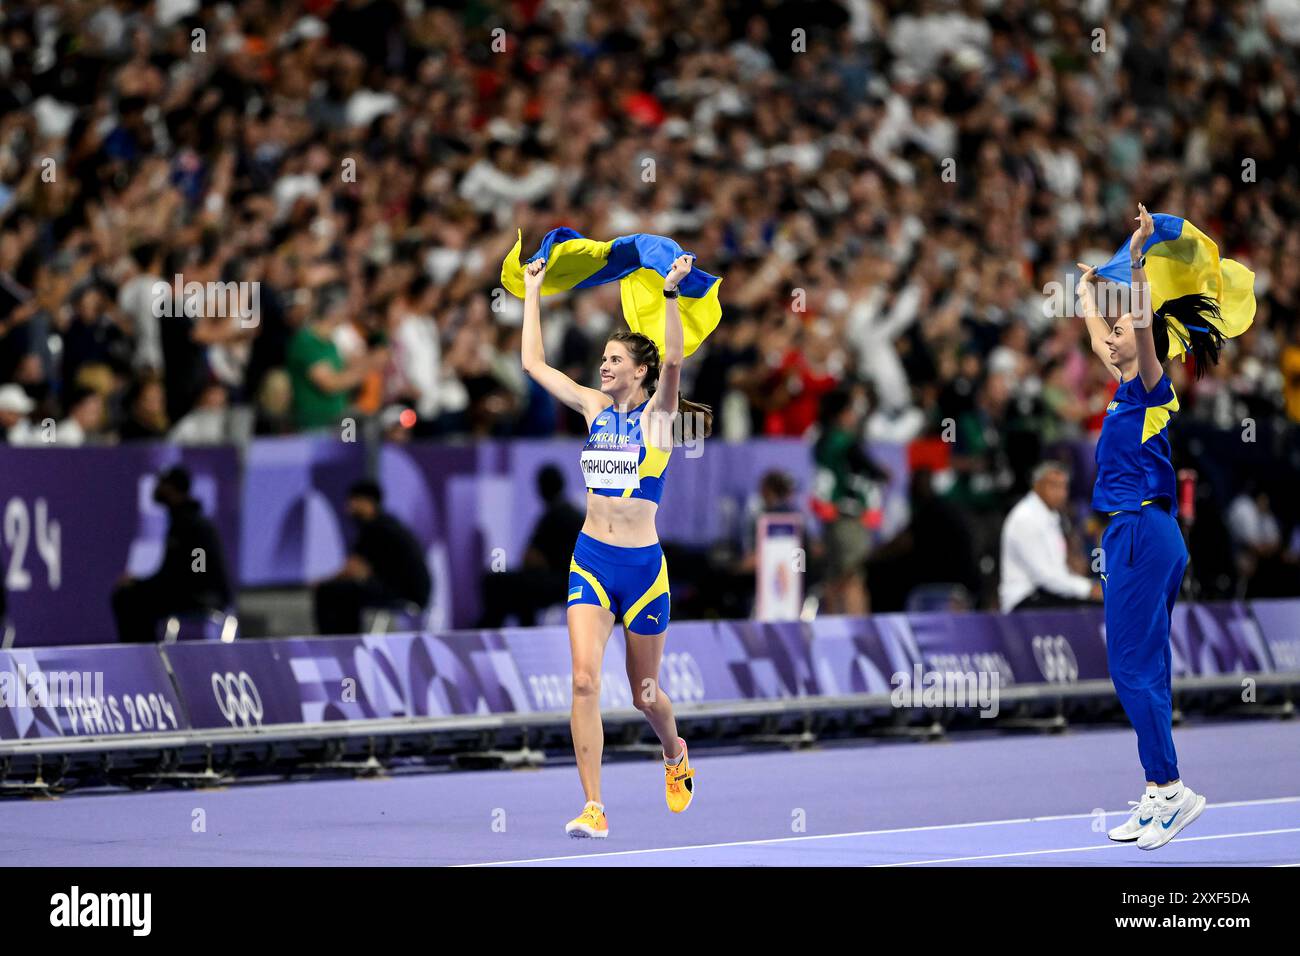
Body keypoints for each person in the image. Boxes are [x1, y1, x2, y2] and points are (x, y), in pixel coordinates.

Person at [521, 252, 711, 838]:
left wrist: (673, 294)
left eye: (614, 360)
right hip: (592, 561)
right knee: (582, 681)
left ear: (640, 372)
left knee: (645, 694)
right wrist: (532, 290)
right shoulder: (594, 410)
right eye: (602, 359)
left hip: (644, 571)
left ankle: (674, 751)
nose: (603, 367)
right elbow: (533, 364)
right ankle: (594, 807)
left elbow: (676, 356)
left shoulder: (659, 417)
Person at [1076, 204, 1227, 850]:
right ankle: (1157, 787)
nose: (1110, 339)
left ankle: (1170, 791)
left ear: (1145, 351)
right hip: (1136, 534)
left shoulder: (1151, 390)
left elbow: (1137, 323)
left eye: (1121, 337)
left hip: (1142, 528)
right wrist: (1086, 292)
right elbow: (1098, 336)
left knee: (1131, 669)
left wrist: (1136, 259)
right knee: (1145, 669)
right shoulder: (1120, 392)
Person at [111, 466, 232, 642]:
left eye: (163, 484)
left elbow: (198, 573)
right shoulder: (178, 523)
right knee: (130, 595)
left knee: (130, 598)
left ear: (173, 489)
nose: (157, 488)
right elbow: (172, 573)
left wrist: (140, 584)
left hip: (200, 596)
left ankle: (145, 657)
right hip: (185, 591)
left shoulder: (196, 527)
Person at [313, 480, 431, 635]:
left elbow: (355, 568)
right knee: (346, 592)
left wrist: (322, 582)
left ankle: (337, 643)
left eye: (353, 502)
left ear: (367, 502)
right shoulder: (386, 524)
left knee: (329, 592)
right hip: (411, 592)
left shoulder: (375, 528)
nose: (348, 508)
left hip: (404, 593)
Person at [479, 464, 584, 627]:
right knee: (524, 585)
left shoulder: (552, 516)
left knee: (499, 582)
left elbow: (531, 559)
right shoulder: (578, 514)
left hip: (558, 584)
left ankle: (494, 630)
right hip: (578, 582)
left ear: (541, 489)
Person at [998, 460, 1102, 611]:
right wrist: (1088, 589)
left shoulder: (1053, 517)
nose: (1061, 493)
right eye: (1053, 486)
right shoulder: (1025, 518)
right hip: (1025, 599)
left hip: (1047, 593)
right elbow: (1045, 577)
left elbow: (1057, 571)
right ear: (1037, 486)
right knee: (1096, 607)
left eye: (1064, 487)